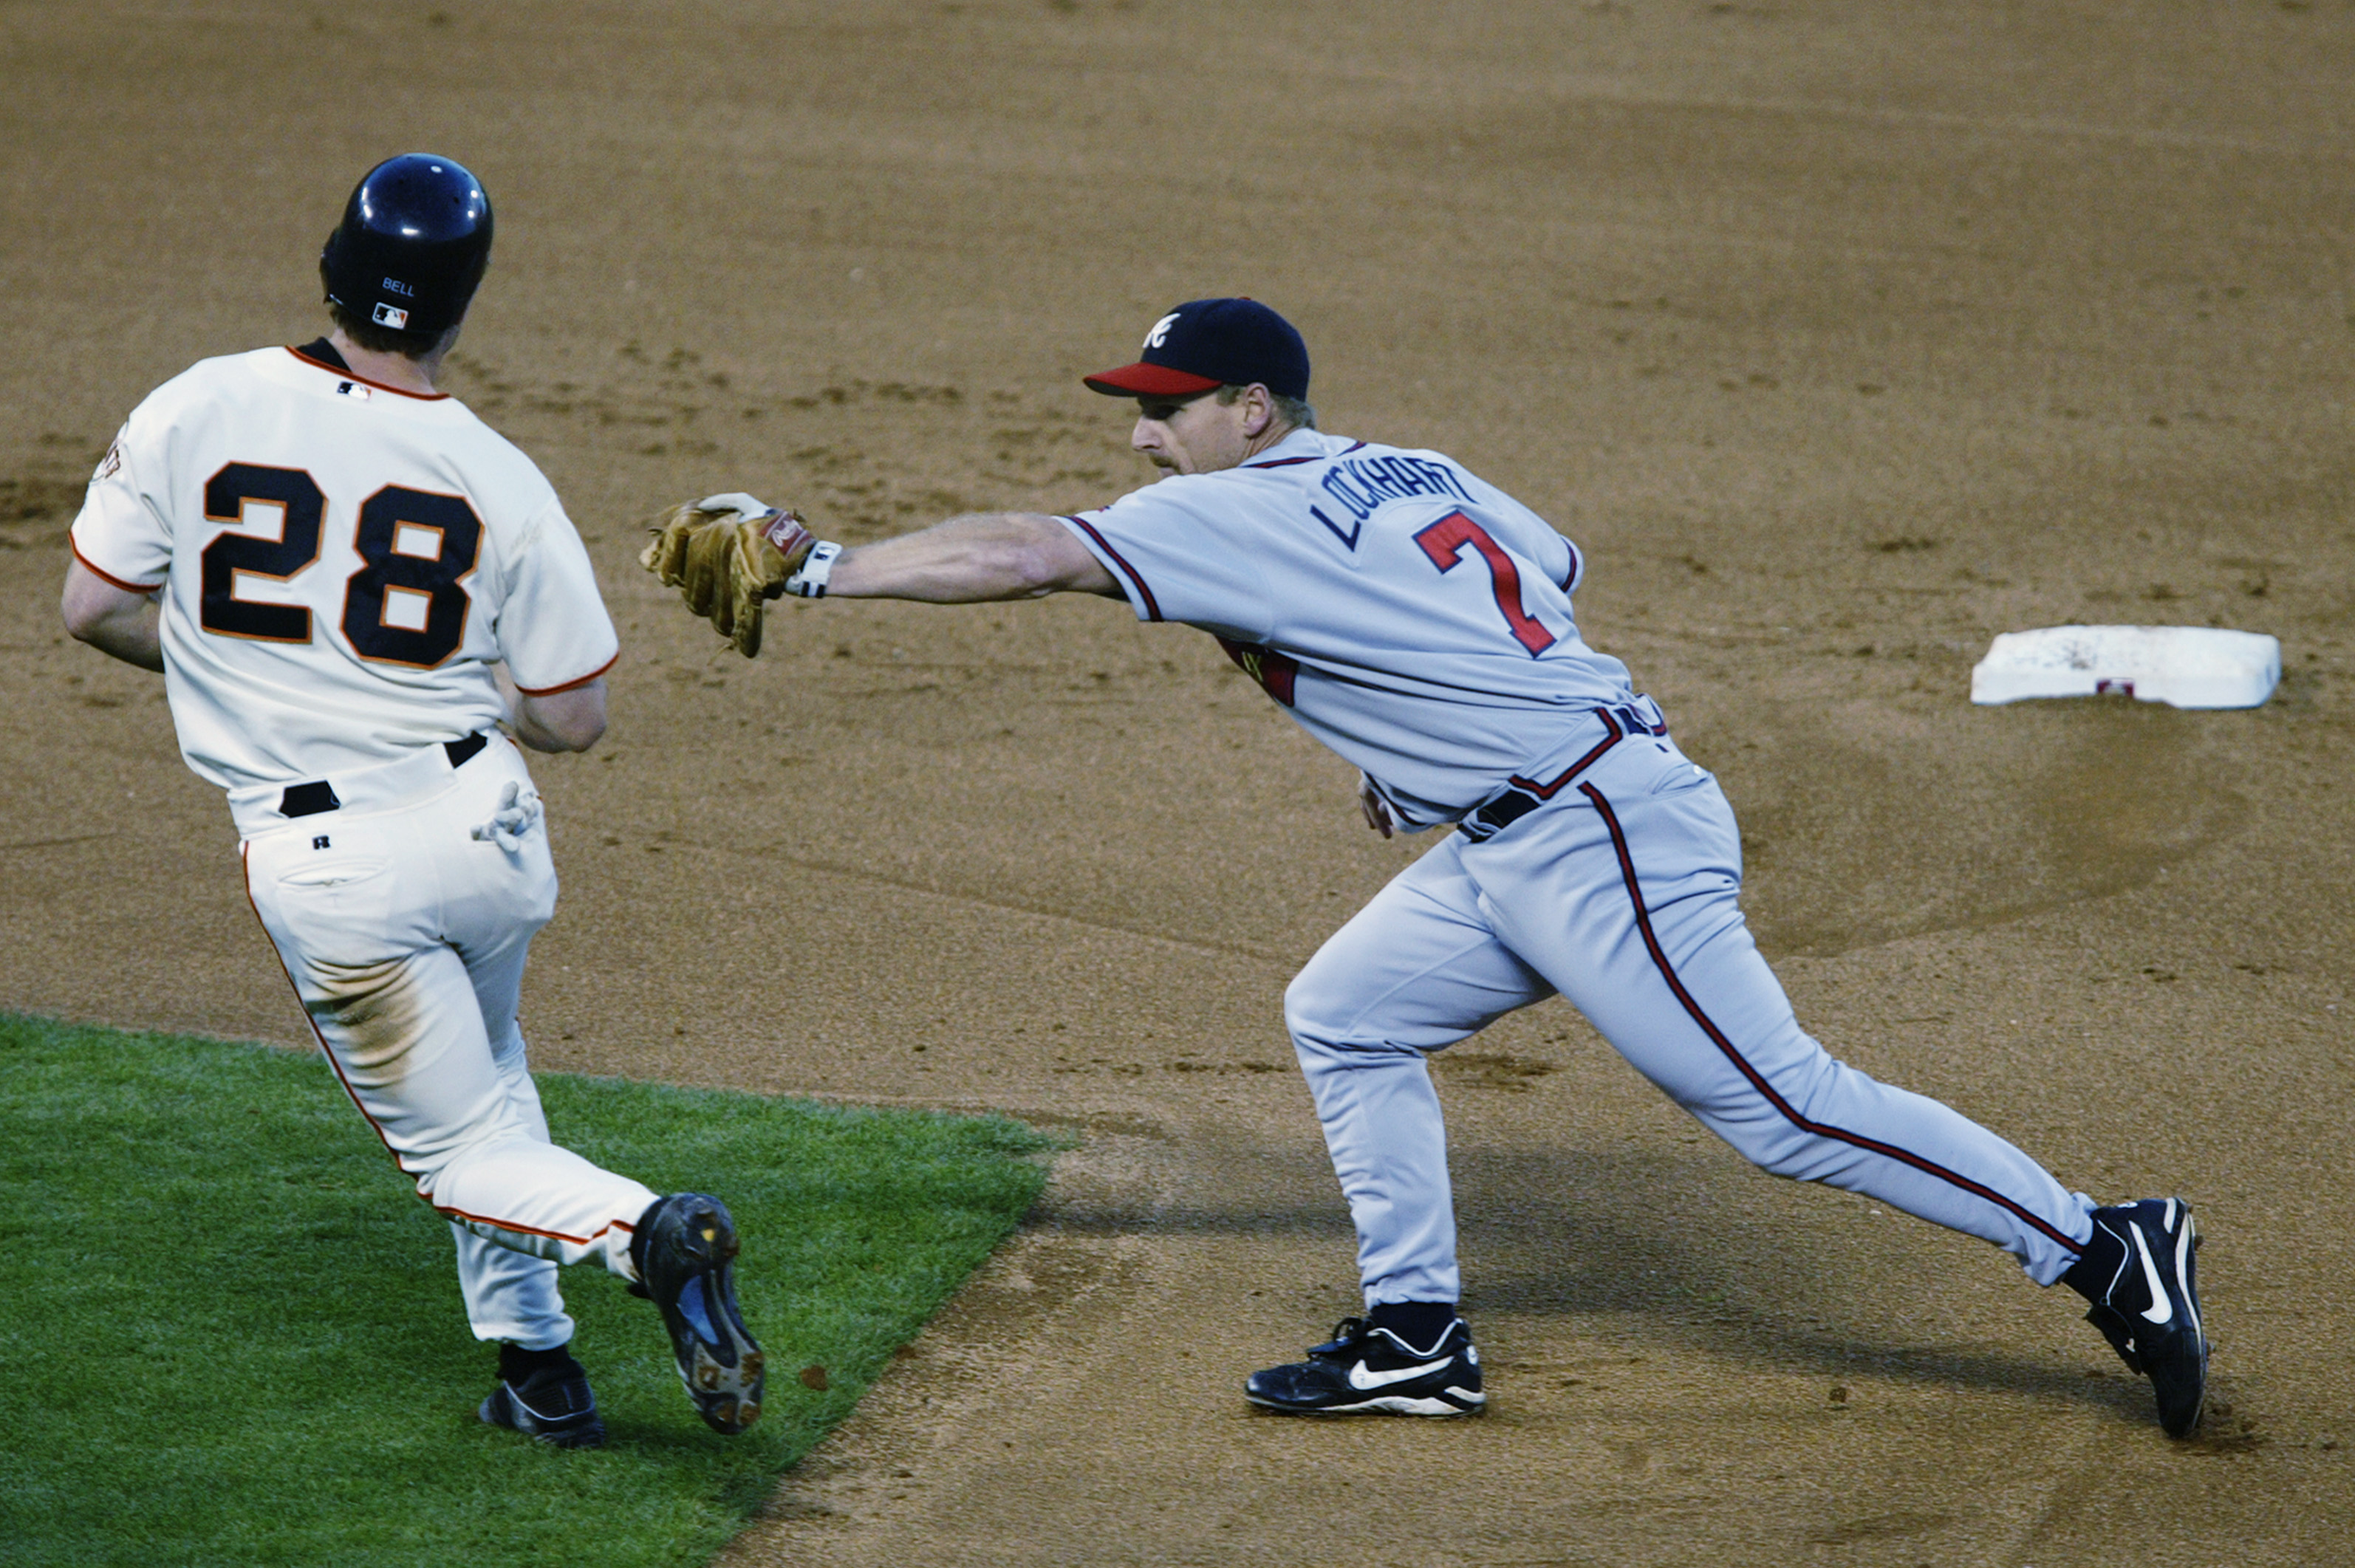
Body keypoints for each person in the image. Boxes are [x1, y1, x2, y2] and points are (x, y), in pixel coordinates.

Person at [647, 296, 2207, 1438]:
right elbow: (1553, 568)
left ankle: (2094, 1241)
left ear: (1253, 410)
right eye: (1142, 401)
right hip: (1532, 816)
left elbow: (1031, 552)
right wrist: (1430, 740)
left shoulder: (1230, 510)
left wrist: (830, 565)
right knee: (1348, 1012)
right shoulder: (1415, 467)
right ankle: (1414, 1337)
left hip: (1598, 832)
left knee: (1782, 1106)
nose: (1144, 430)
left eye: (1173, 404)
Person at [61, 154, 764, 1448]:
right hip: (486, 832)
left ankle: (647, 1237)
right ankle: (540, 1369)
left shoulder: (195, 404)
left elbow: (96, 607)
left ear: (332, 270)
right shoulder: (500, 476)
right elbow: (573, 718)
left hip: (335, 867)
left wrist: (252, 661)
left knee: (459, 1154)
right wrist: (453, 681)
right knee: (489, 1080)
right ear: (460, 308)